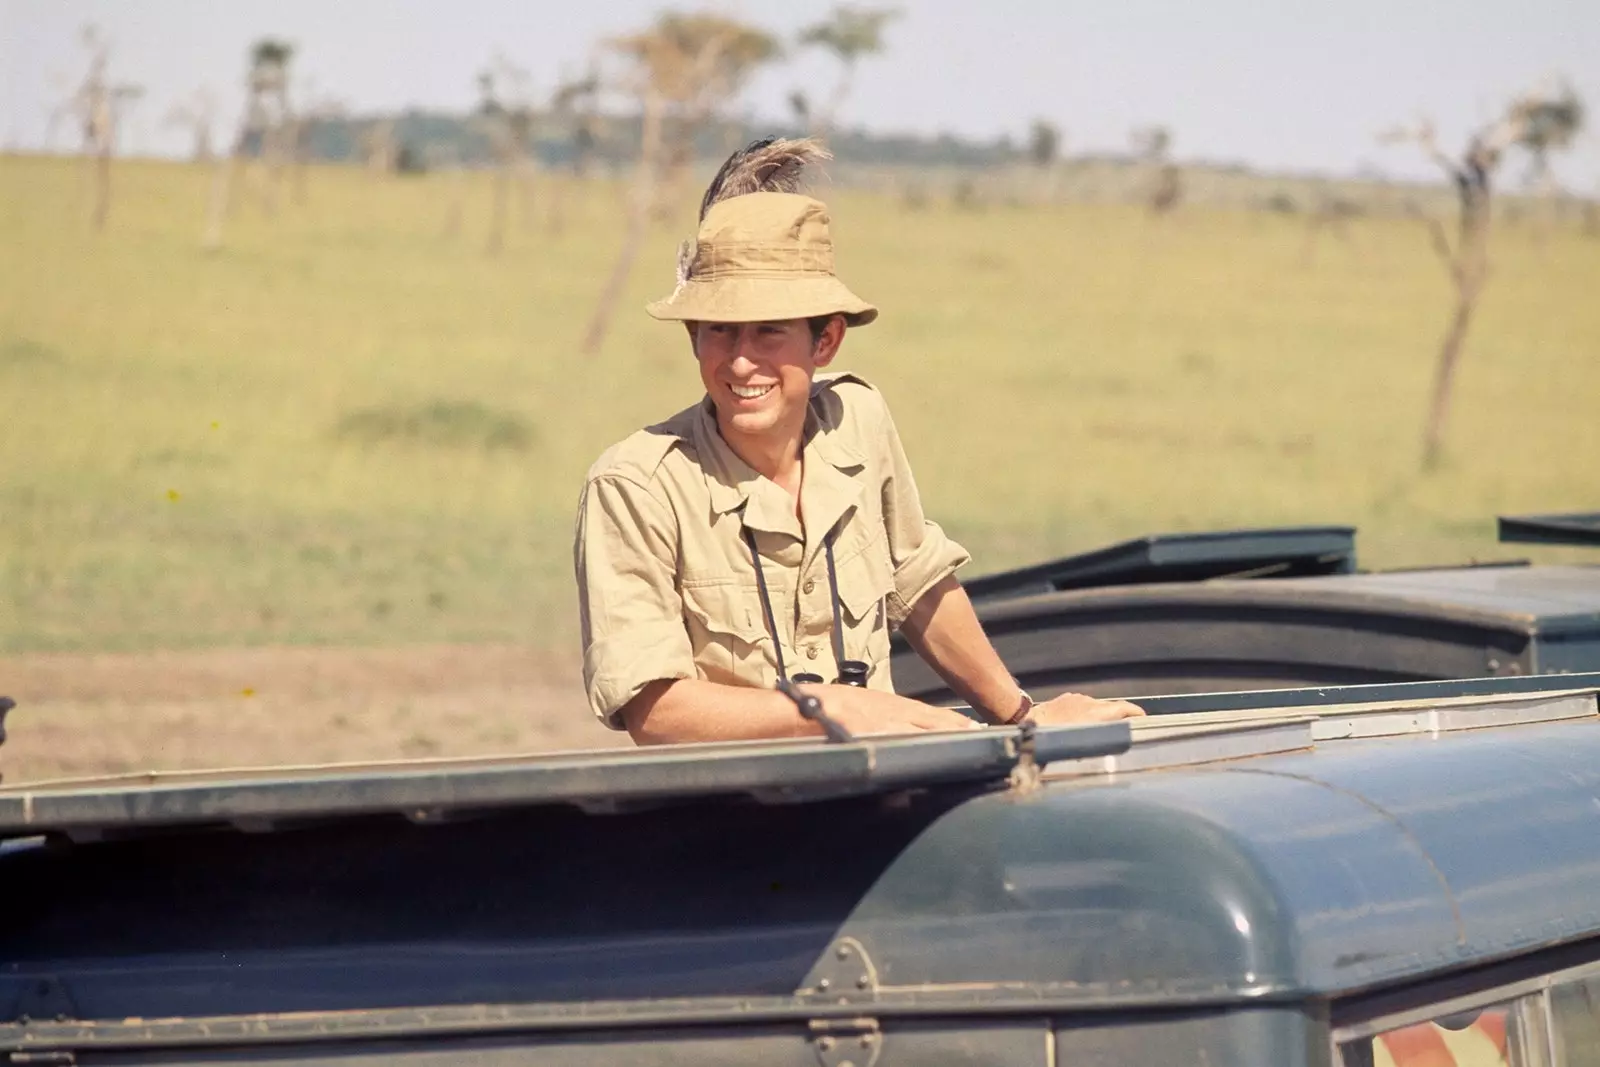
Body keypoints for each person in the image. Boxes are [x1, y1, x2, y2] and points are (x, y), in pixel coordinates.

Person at [574, 138, 1143, 744]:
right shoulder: (636, 486)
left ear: (825, 343)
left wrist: (1022, 717)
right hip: (732, 814)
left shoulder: (858, 419)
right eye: (720, 331)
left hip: (880, 791)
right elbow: (655, 713)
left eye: (769, 332)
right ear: (693, 337)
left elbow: (919, 582)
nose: (741, 363)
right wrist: (835, 709)